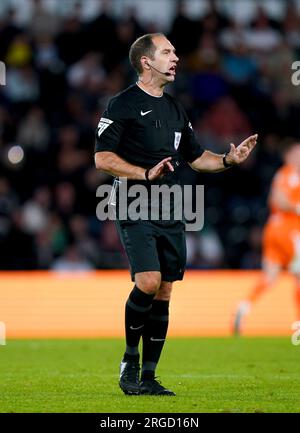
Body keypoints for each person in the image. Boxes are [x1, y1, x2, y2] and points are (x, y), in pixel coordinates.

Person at [94, 33, 257, 396]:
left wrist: (229, 159)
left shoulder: (175, 108)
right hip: (134, 203)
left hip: (171, 207)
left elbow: (199, 158)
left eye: (175, 51)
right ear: (146, 61)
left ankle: (149, 376)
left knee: (165, 290)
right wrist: (144, 173)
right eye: (167, 51)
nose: (176, 57)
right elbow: (102, 158)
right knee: (148, 282)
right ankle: (129, 362)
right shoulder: (121, 105)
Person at [233, 143, 300, 335]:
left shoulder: (283, 174)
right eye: (297, 154)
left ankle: (243, 307)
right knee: (299, 277)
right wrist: (296, 208)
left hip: (273, 229)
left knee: (270, 276)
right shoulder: (290, 174)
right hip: (289, 232)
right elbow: (278, 199)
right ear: (288, 156)